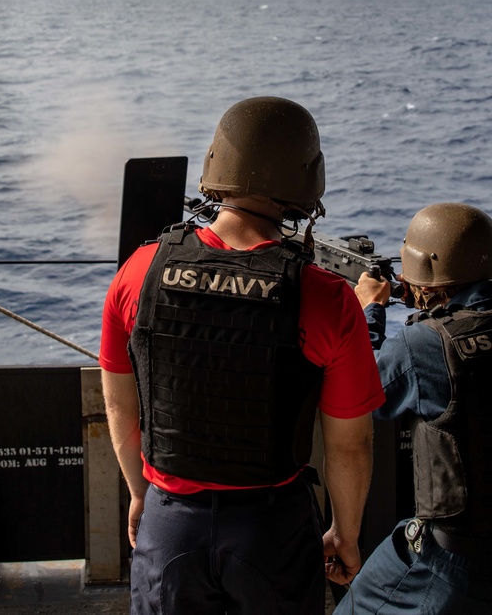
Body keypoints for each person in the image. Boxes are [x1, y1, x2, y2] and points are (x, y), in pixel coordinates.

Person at [99, 96, 386, 615]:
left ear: (216, 169)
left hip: (171, 524)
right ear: (308, 180)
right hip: (270, 531)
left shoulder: (139, 270)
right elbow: (350, 447)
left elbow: (120, 404)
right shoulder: (327, 298)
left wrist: (142, 495)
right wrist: (345, 535)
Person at [340, 202, 492, 615]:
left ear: (427, 281)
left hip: (458, 564)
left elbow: (361, 392)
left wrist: (370, 311)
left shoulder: (428, 346)